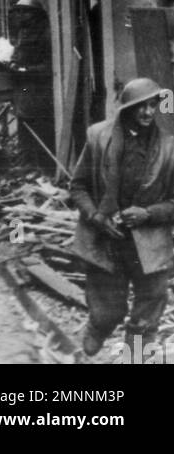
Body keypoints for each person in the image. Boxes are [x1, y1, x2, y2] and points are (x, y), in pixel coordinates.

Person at [69, 78, 174, 358]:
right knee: (109, 311)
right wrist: (95, 216)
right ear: (126, 108)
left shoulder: (169, 148)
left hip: (149, 243)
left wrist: (148, 213)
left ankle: (134, 357)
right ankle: (97, 327)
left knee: (149, 310)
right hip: (107, 239)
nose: (148, 112)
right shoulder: (98, 138)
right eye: (141, 106)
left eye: (153, 105)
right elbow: (77, 187)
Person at [8, 0, 54, 169]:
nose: (20, 15)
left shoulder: (46, 34)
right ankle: (26, 164)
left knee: (40, 128)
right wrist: (13, 63)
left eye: (24, 12)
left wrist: (28, 71)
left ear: (35, 14)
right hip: (23, 89)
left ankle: (43, 167)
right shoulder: (23, 32)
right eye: (18, 12)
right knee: (24, 126)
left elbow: (49, 66)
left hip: (39, 89)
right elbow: (17, 53)